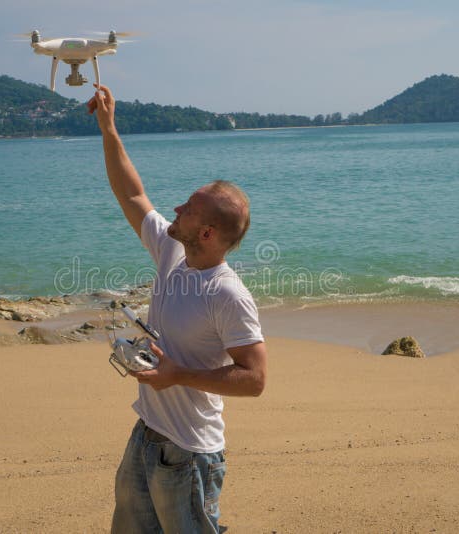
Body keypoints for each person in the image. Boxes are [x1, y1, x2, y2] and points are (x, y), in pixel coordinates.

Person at [88, 84, 268, 534]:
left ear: (206, 233)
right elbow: (132, 195)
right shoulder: (172, 250)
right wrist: (109, 128)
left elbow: (256, 379)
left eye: (187, 208)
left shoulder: (227, 295)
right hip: (146, 432)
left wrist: (179, 376)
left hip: (190, 453)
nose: (175, 208)